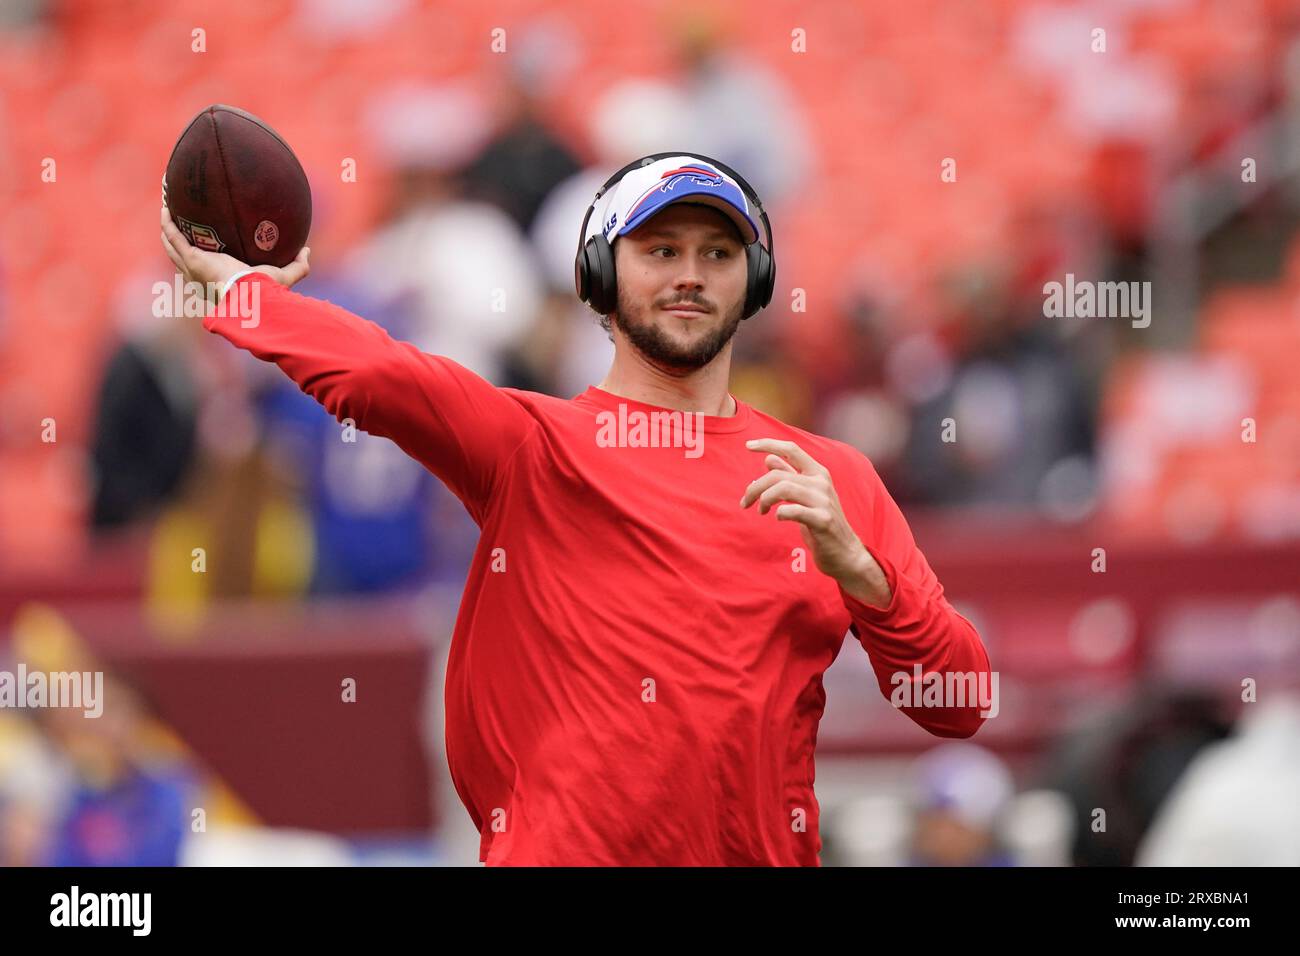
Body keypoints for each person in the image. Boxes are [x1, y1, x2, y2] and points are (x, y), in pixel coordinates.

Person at [159, 152, 992, 866]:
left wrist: (869, 580)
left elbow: (959, 702)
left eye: (718, 252)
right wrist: (245, 299)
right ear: (600, 276)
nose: (691, 275)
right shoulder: (537, 447)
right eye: (659, 249)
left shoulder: (829, 480)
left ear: (756, 279)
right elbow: (382, 377)